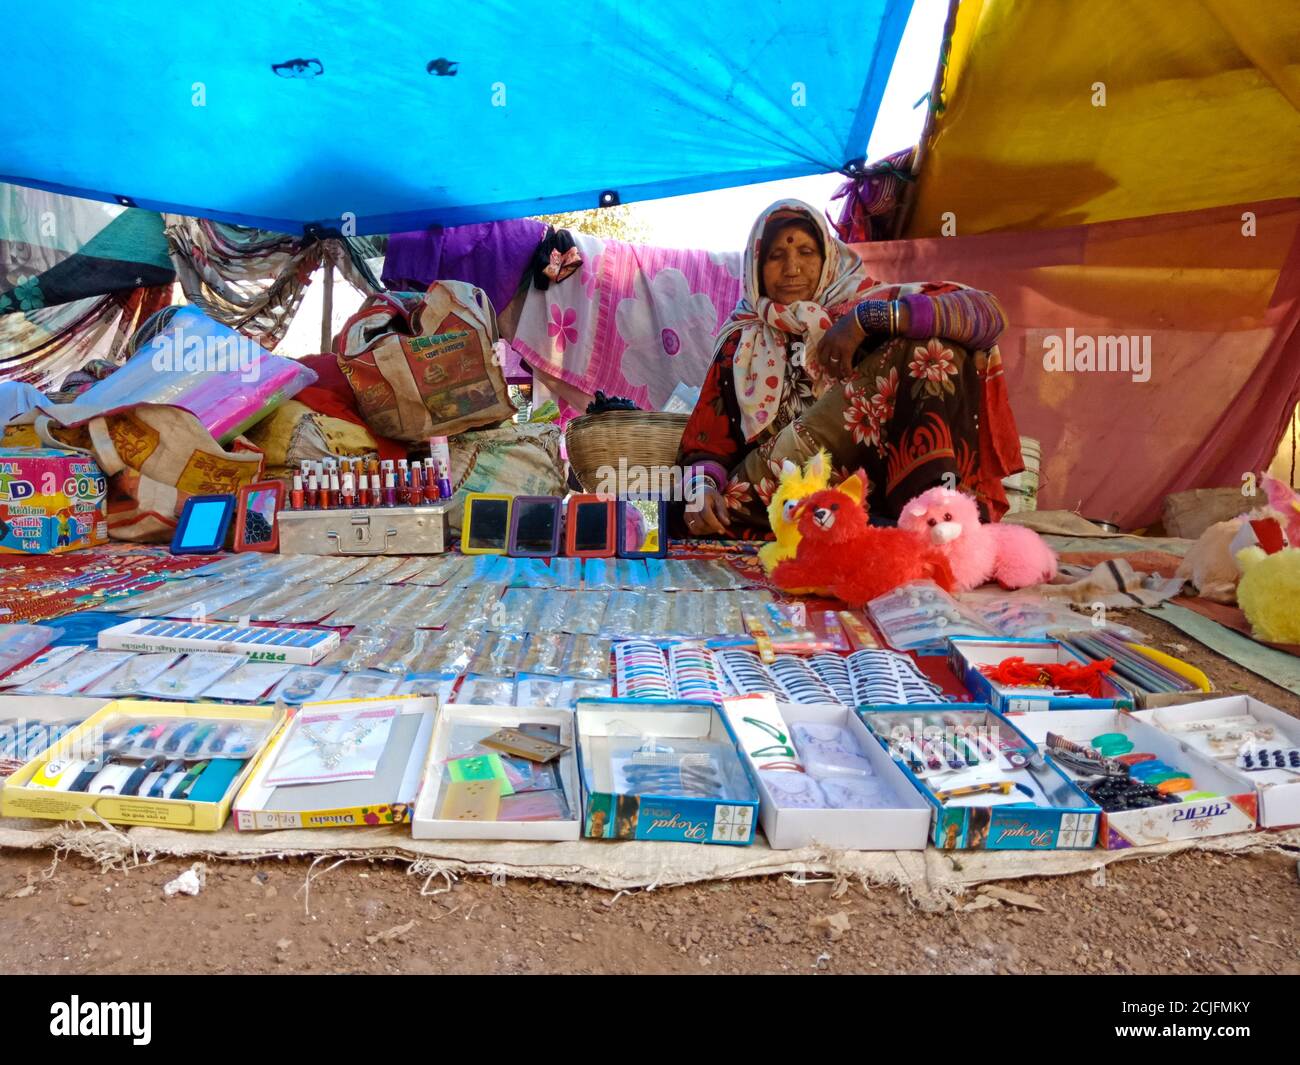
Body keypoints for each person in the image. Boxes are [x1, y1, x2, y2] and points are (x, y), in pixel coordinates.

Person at [676, 199, 1022, 537]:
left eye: (806, 253)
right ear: (756, 267)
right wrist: (700, 487)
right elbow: (708, 442)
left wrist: (866, 321)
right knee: (704, 507)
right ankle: (889, 529)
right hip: (776, 492)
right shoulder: (741, 340)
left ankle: (929, 514)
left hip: (871, 486)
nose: (792, 268)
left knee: (929, 347)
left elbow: (987, 315)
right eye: (775, 256)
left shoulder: (865, 305)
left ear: (828, 258)